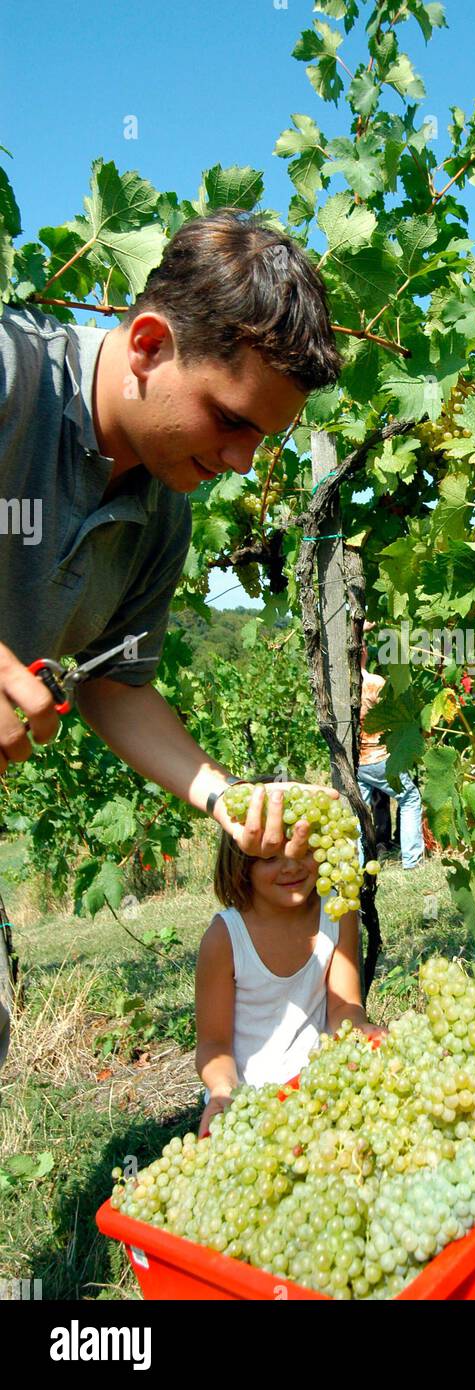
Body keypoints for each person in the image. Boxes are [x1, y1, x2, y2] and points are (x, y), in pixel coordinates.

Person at [0, 208, 344, 1064]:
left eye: (262, 441)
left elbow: (113, 685)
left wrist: (225, 799)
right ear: (149, 343)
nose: (240, 463)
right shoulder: (10, 376)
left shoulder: (163, 516)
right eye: (231, 421)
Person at [195, 778, 385, 1138]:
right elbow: (213, 1044)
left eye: (303, 847)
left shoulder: (339, 912)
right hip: (246, 1109)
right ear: (241, 864)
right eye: (269, 857)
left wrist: (361, 1032)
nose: (291, 866)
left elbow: (344, 1008)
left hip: (315, 1096)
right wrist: (223, 1092)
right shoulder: (226, 938)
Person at [357, 626, 424, 871]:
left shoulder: (338, 687)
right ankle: (412, 862)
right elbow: (396, 717)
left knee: (357, 812)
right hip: (380, 758)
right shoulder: (376, 683)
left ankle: (357, 864)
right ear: (362, 651)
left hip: (356, 762)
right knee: (409, 798)